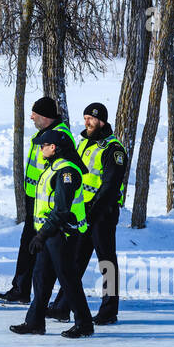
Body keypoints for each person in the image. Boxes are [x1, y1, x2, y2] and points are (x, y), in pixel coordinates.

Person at [8, 127, 94, 337]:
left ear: (53, 147)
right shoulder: (53, 167)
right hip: (50, 233)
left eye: (43, 146)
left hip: (62, 234)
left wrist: (42, 235)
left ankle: (84, 324)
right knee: (41, 277)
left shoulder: (66, 172)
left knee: (68, 278)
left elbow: (61, 210)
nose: (40, 150)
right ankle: (35, 322)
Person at [49, 101, 127, 324]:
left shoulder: (113, 149)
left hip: (102, 213)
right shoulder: (83, 143)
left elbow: (110, 186)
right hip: (84, 212)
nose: (87, 122)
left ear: (102, 121)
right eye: (85, 118)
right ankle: (62, 306)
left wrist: (94, 211)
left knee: (107, 263)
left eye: (91, 118)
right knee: (74, 262)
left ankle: (109, 311)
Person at [0, 97, 79, 304]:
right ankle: (22, 289)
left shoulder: (60, 137)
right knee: (29, 244)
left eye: (34, 114)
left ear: (45, 117)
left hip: (48, 204)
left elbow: (65, 171)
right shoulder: (43, 134)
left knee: (48, 252)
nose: (31, 117)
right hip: (35, 198)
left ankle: (57, 300)